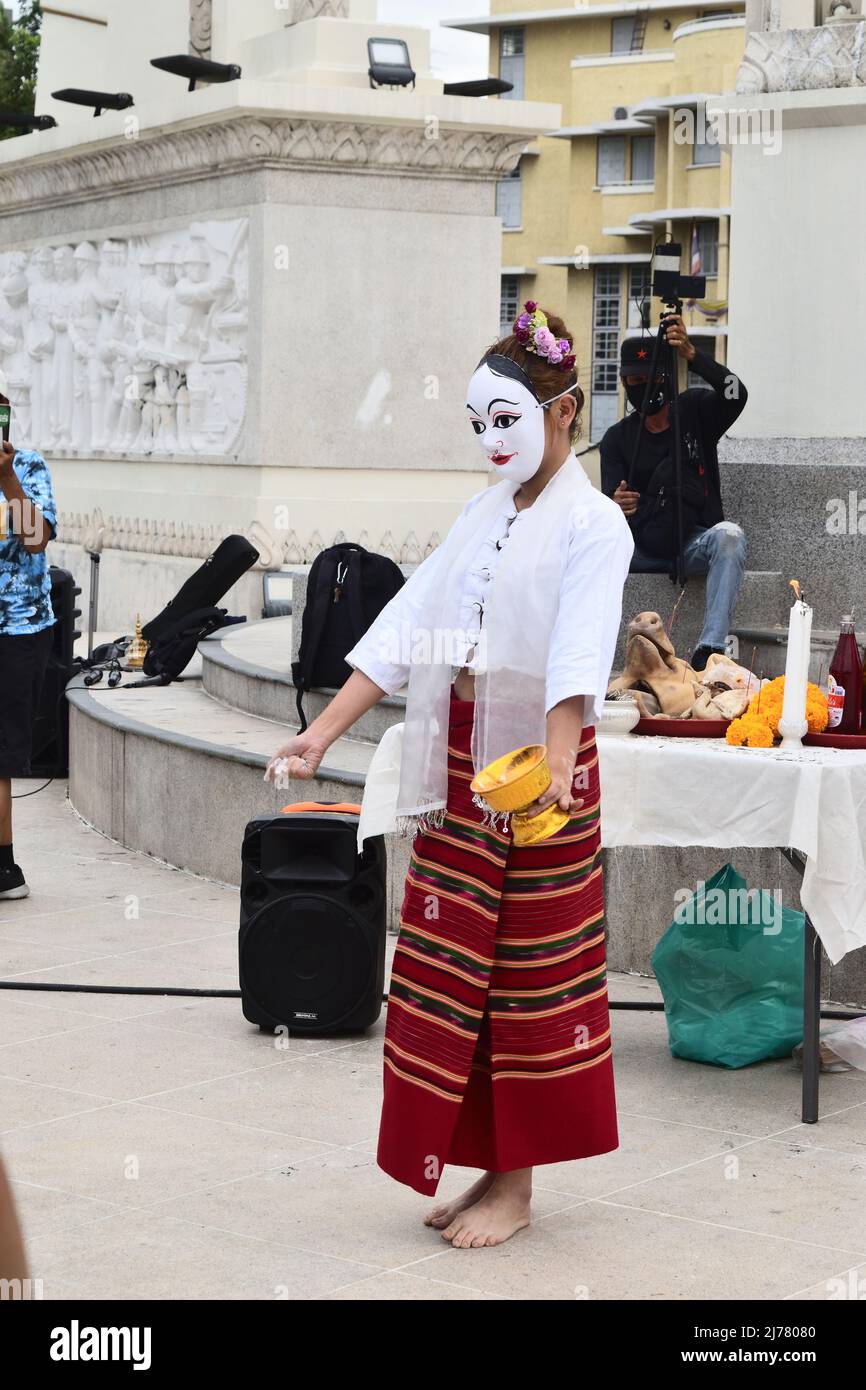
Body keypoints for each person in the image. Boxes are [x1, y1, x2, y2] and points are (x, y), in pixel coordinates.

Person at [267, 302, 633, 1248]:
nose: (490, 440)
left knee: (525, 977)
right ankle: (478, 1165)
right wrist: (323, 737)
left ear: (564, 409)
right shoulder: (482, 514)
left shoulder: (594, 526)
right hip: (463, 764)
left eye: (505, 419)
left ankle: (517, 1186)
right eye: (479, 425)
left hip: (537, 771)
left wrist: (557, 760)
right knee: (447, 971)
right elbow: (406, 628)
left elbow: (578, 652)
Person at [599, 316, 748, 671]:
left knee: (731, 536)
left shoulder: (695, 411)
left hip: (690, 544)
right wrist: (615, 504)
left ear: (664, 378)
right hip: (641, 551)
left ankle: (709, 649)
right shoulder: (617, 439)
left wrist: (693, 356)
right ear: (623, 383)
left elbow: (735, 393)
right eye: (634, 381)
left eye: (649, 379)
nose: (642, 387)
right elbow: (607, 508)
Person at [0, 373, 57, 900]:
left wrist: (7, 480)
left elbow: (36, 540)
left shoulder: (28, 466)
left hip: (16, 631)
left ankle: (4, 868)